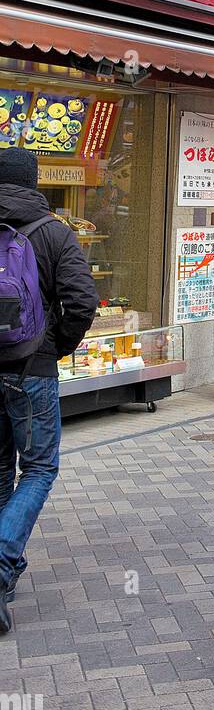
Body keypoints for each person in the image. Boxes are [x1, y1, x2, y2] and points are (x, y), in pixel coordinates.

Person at [0, 147, 99, 635]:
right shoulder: (54, 232)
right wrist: (52, 347)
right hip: (31, 371)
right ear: (35, 182)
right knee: (38, 468)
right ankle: (0, 568)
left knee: (0, 469)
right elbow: (82, 302)